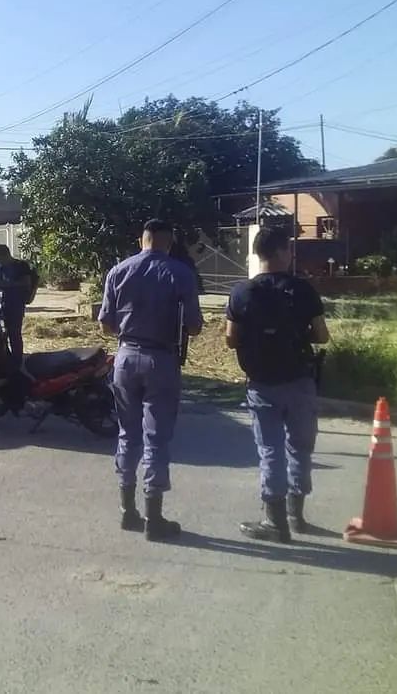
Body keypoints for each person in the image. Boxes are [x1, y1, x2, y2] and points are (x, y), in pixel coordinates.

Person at [98, 219, 203, 541]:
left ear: (141, 240)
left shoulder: (118, 271)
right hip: (161, 359)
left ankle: (127, 510)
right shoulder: (180, 273)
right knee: (155, 438)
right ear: (169, 243)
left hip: (125, 357)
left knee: (127, 433)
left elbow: (105, 325)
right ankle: (154, 519)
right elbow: (195, 327)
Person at [225, 225, 330, 543]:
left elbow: (230, 338)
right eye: (289, 248)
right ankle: (296, 515)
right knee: (300, 447)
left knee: (270, 449)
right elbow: (322, 335)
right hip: (299, 379)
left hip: (261, 383)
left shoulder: (241, 292)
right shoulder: (303, 290)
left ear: (257, 254)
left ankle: (275, 520)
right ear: (283, 252)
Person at [0, 244, 32, 365]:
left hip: (17, 304)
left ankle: (18, 360)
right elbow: (1, 283)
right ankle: (8, 358)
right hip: (5, 303)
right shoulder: (2, 268)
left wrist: (9, 285)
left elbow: (26, 282)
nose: (0, 262)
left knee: (15, 333)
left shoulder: (21, 265)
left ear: (6, 255)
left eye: (0, 259)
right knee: (6, 332)